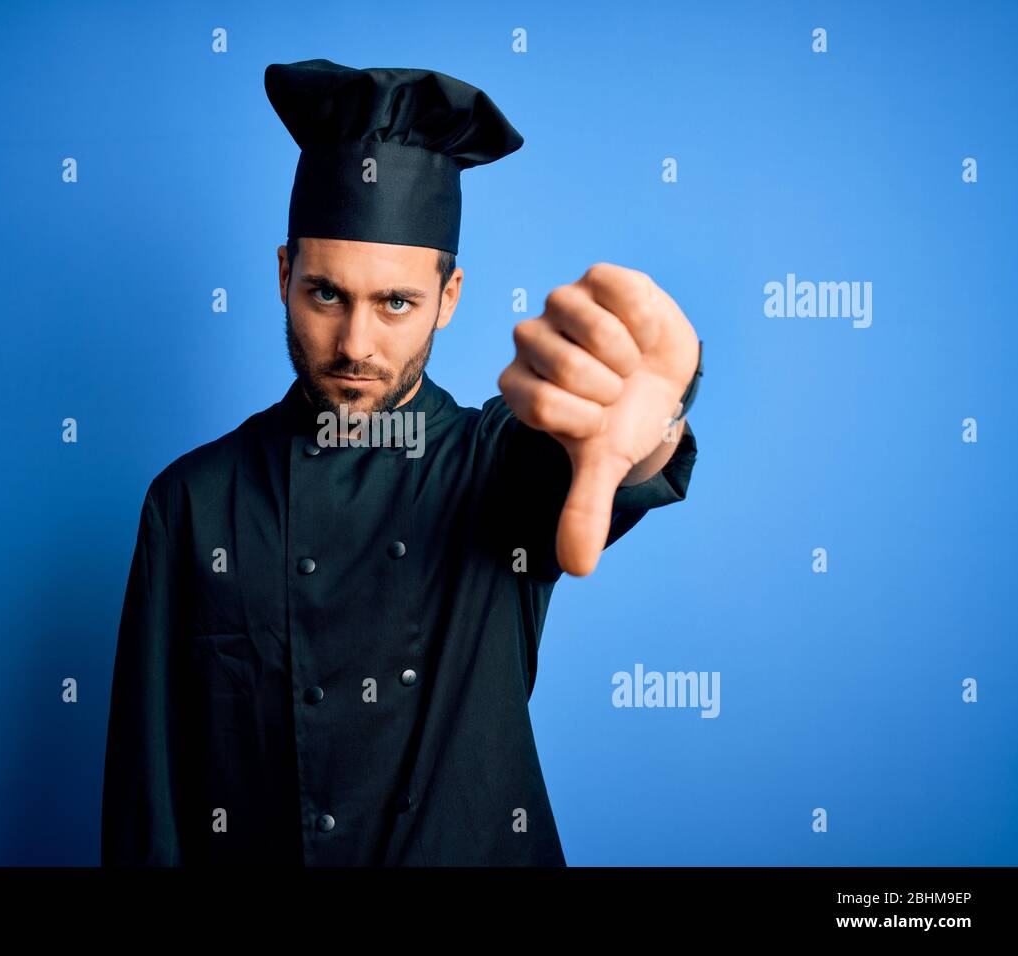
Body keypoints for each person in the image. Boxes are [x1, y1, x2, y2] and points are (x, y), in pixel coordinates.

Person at [100, 58, 702, 866]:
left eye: (395, 303)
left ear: (448, 298)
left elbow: (604, 460)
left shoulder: (494, 466)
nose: (355, 345)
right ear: (284, 277)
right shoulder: (193, 500)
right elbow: (149, 793)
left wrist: (658, 409)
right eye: (326, 295)